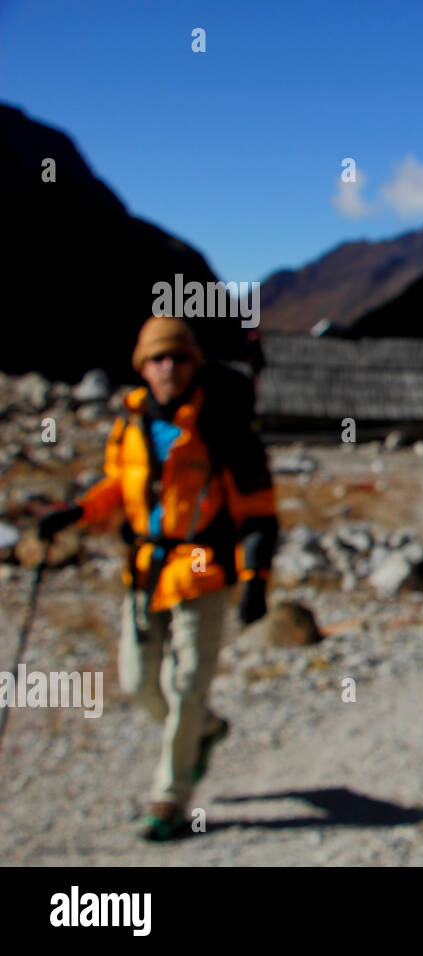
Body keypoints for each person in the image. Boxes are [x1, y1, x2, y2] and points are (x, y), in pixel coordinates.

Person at [37, 315, 278, 842]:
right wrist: (76, 512)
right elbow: (119, 484)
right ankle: (206, 731)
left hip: (200, 568)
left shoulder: (219, 425)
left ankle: (169, 796)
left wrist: (255, 576)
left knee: (186, 684)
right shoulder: (132, 424)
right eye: (156, 358)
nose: (167, 367)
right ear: (142, 367)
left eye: (177, 357)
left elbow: (258, 507)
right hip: (145, 571)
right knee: (139, 683)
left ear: (194, 363)